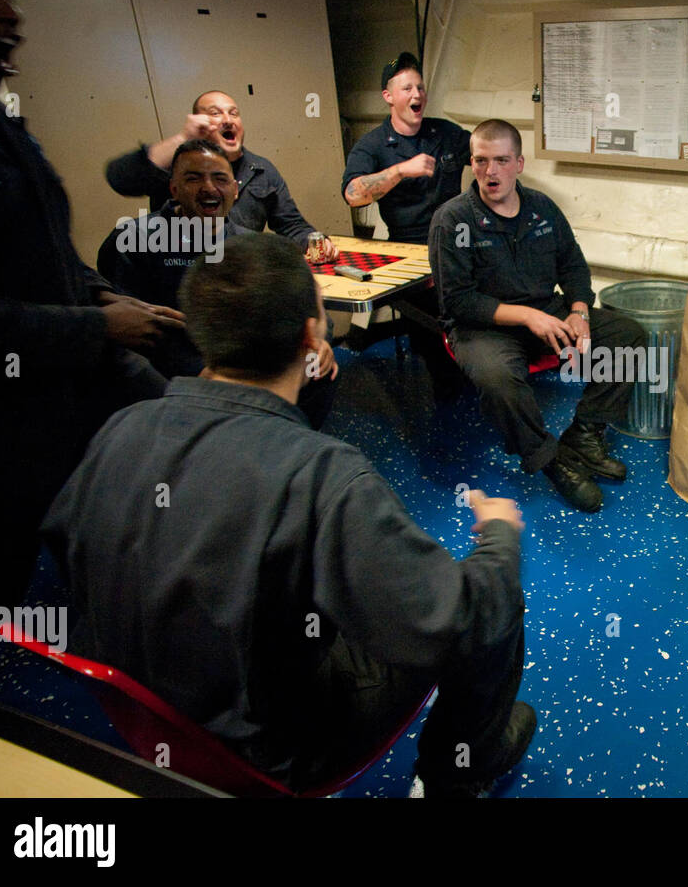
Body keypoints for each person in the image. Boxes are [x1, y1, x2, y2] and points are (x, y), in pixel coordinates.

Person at [42, 233, 536, 796]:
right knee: (495, 605)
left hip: (144, 724)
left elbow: (68, 554)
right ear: (311, 333)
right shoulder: (323, 476)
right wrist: (499, 535)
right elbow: (459, 619)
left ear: (199, 330)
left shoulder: (117, 431)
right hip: (274, 750)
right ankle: (453, 775)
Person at [0, 0, 184, 670]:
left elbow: (46, 248)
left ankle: (147, 633)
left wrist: (98, 292)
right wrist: (97, 324)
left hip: (72, 375)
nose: (12, 15)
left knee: (175, 457)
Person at [429, 119, 647, 512]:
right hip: (483, 326)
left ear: (520, 164)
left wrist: (579, 310)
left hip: (547, 313)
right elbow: (456, 301)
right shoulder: (453, 220)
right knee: (499, 379)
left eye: (501, 160)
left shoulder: (542, 209)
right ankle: (551, 460)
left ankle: (585, 432)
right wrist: (528, 316)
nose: (490, 171)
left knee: (628, 336)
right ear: (471, 163)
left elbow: (573, 267)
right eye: (480, 160)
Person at [98, 138, 338, 428]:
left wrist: (317, 344)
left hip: (244, 369)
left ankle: (282, 449)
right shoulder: (134, 243)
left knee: (319, 376)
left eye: (220, 178)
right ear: (173, 189)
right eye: (194, 178)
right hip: (171, 378)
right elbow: (129, 337)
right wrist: (199, 373)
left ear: (235, 191)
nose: (209, 188)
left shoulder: (250, 245)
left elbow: (302, 307)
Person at [340, 52, 467, 392]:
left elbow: (485, 151)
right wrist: (399, 171)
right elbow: (354, 194)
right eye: (407, 88)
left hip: (458, 239)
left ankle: (482, 366)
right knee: (430, 319)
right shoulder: (374, 145)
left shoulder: (446, 133)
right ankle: (448, 383)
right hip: (410, 247)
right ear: (388, 96)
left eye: (420, 88)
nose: (417, 95)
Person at [104, 89, 339, 260]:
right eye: (215, 113)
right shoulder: (178, 167)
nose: (227, 119)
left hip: (238, 270)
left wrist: (315, 241)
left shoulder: (261, 170)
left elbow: (291, 224)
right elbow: (121, 178)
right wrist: (183, 138)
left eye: (234, 113)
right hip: (183, 271)